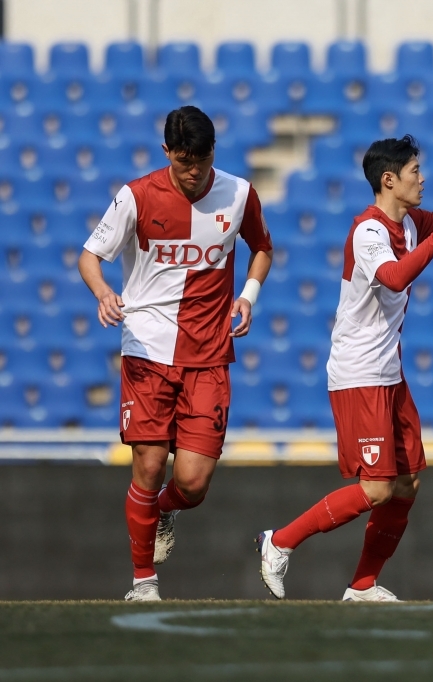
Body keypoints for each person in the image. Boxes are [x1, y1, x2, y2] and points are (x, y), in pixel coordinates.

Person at [256, 136, 433, 601]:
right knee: (377, 490)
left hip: (388, 373)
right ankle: (279, 541)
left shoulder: (413, 224)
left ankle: (361, 585)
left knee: (406, 484)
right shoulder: (369, 232)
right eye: (414, 171)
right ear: (389, 180)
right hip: (358, 372)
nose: (422, 178)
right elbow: (396, 276)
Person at [78, 105, 274, 601]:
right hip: (146, 349)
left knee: (193, 482)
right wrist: (103, 292)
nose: (194, 171)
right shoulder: (137, 197)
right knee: (147, 465)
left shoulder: (239, 193)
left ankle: (162, 510)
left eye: (202, 160)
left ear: (214, 153)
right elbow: (89, 256)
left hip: (208, 354)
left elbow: (263, 247)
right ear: (167, 152)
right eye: (185, 161)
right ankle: (144, 582)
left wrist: (247, 295)